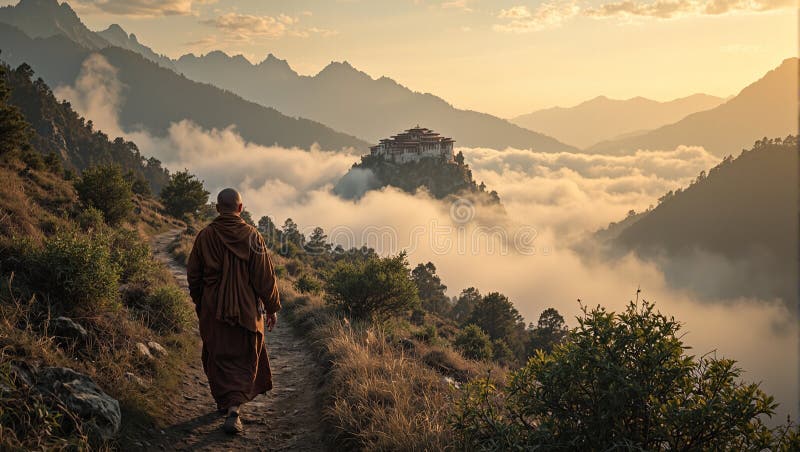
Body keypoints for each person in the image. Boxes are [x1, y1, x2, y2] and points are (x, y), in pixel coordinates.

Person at [187, 188, 280, 434]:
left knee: (218, 355)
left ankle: (227, 403)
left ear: (218, 208)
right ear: (240, 208)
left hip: (213, 310)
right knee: (244, 357)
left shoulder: (205, 236)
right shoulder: (252, 236)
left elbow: (194, 276)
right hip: (246, 312)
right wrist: (271, 308)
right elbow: (264, 279)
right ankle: (233, 408)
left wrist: (202, 303)